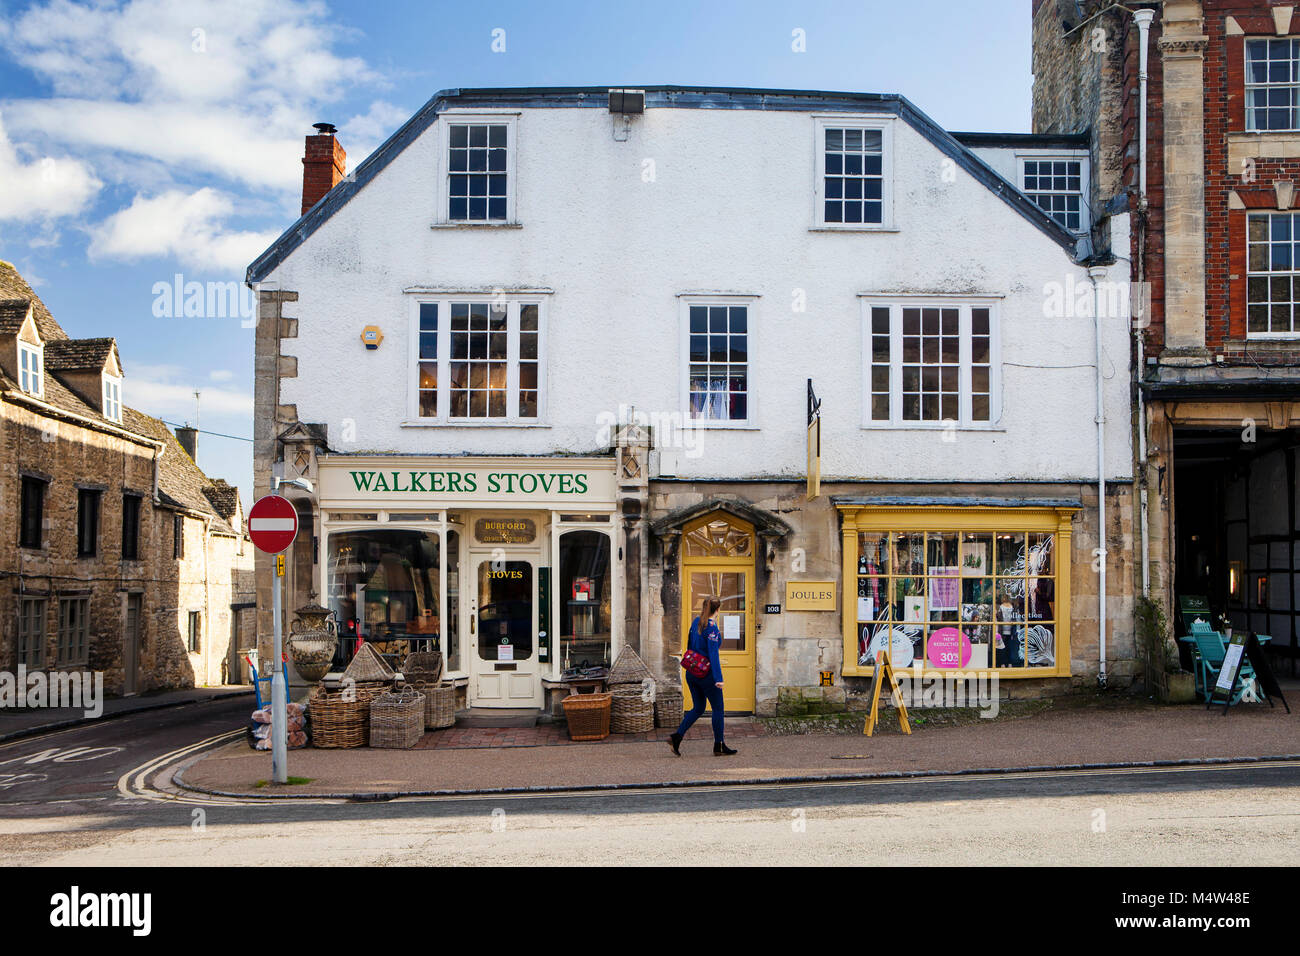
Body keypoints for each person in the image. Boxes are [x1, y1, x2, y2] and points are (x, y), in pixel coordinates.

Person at [669, 596, 737, 756]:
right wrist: (718, 678)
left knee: (699, 707)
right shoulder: (712, 628)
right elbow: (713, 654)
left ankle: (677, 736)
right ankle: (719, 745)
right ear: (718, 610)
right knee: (718, 709)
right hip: (706, 675)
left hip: (692, 672)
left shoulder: (696, 622)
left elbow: (689, 645)